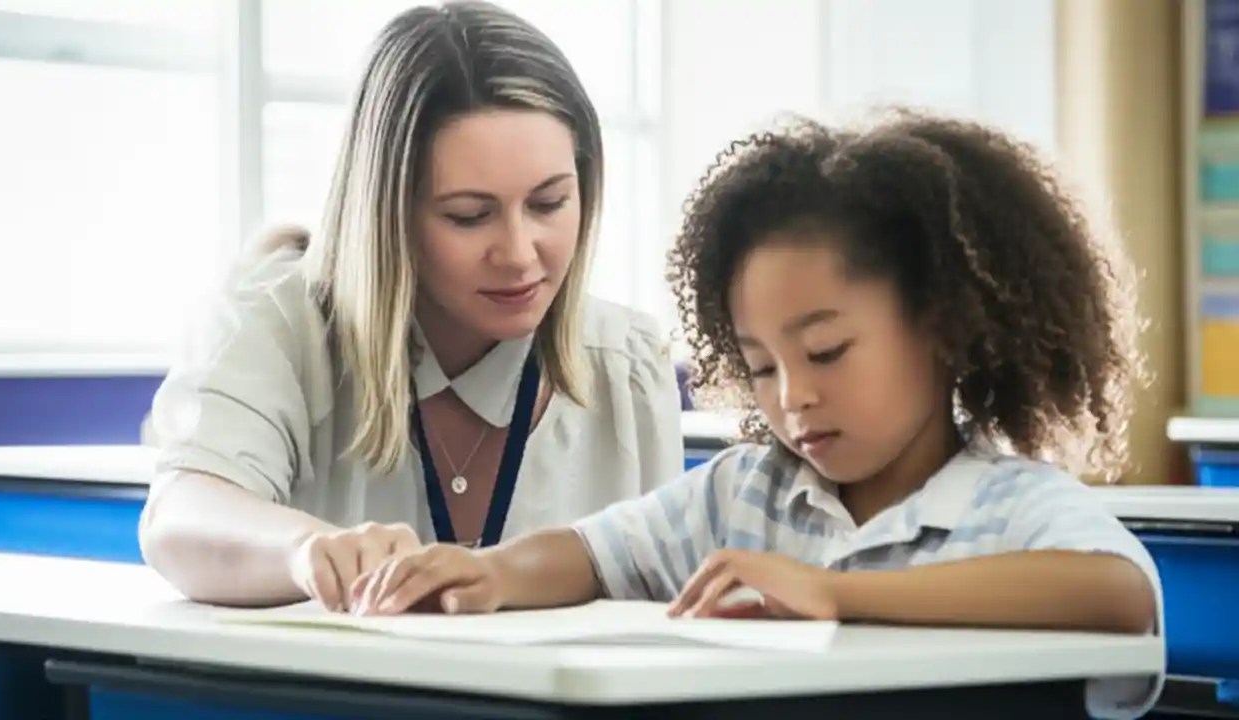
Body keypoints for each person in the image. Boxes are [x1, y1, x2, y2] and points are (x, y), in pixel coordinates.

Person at [348, 111, 1164, 718]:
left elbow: (1117, 592)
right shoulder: (745, 496)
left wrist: (831, 593)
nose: (791, 397)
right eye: (762, 364)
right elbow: (590, 555)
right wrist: (489, 573)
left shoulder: (1006, 502)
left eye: (828, 352)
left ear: (945, 328)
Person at [138, 0, 683, 612]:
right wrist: (307, 551)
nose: (519, 253)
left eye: (549, 203)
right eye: (468, 216)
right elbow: (180, 514)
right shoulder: (277, 327)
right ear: (386, 214)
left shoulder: (628, 363)